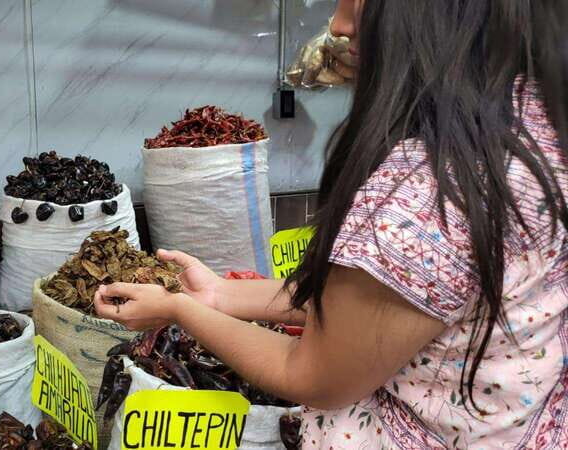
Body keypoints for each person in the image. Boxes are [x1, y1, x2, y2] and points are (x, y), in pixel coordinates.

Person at [95, 0, 568, 447]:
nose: (339, 25)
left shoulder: (426, 198)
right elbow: (372, 314)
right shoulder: (533, 124)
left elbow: (313, 376)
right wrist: (220, 295)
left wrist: (182, 312)